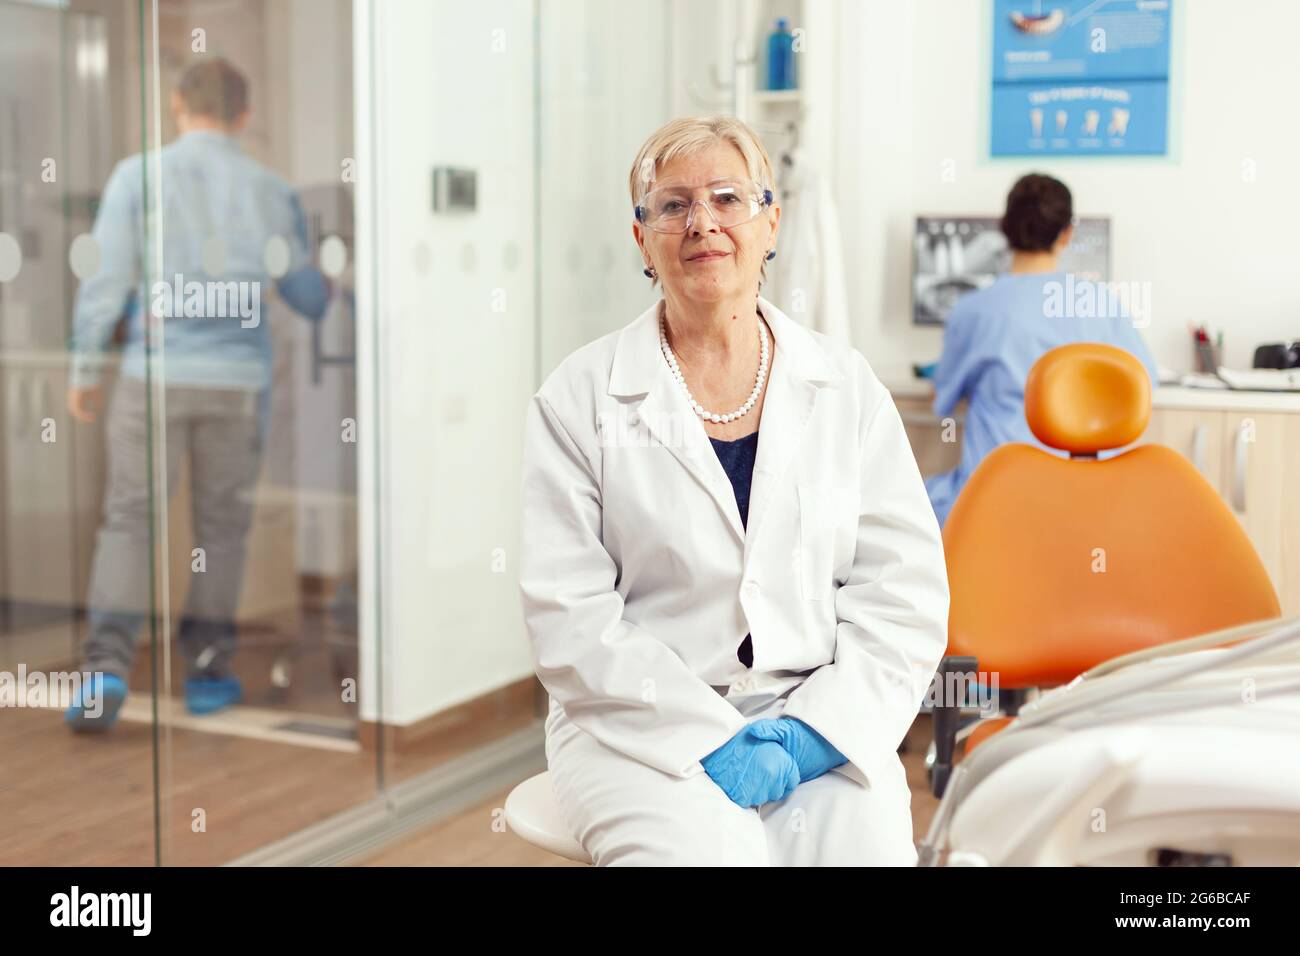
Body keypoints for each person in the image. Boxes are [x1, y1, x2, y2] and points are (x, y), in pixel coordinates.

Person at [518, 115, 949, 865]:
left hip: (811, 716)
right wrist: (702, 734)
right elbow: (570, 619)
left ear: (770, 222)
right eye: (673, 204)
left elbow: (902, 594)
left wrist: (815, 733)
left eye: (727, 198)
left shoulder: (845, 388)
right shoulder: (578, 398)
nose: (702, 224)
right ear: (641, 237)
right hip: (635, 728)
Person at [63, 58, 328, 731]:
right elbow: (305, 294)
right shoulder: (271, 190)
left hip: (153, 379)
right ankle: (208, 674)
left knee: (128, 519)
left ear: (178, 104)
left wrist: (86, 370)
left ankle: (106, 670)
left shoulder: (138, 176)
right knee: (222, 532)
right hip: (236, 387)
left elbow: (106, 283)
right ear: (244, 115)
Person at [924, 173, 1159, 529]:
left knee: (917, 504)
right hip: (1090, 499)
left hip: (997, 498)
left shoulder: (973, 311)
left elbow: (941, 398)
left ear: (1005, 229)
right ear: (1067, 233)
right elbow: (1144, 387)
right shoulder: (1100, 302)